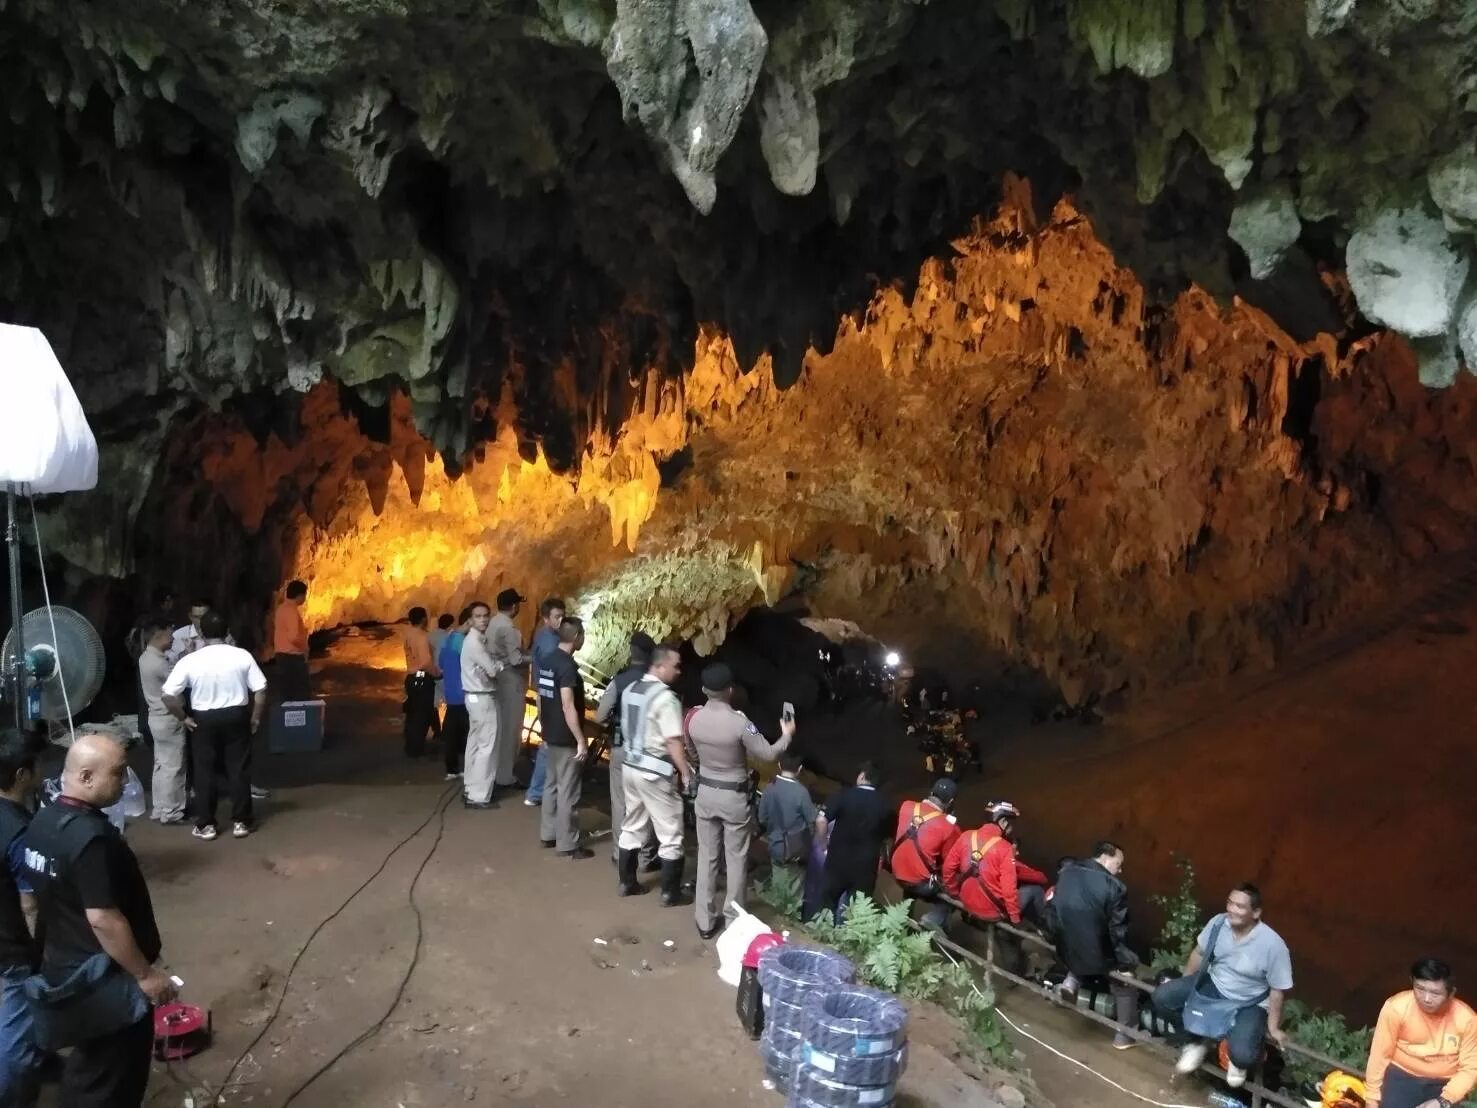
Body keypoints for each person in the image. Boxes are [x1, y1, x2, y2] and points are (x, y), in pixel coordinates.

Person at [24, 734, 176, 1107]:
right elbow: (104, 918)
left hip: (64, 965)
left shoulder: (45, 821)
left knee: (92, 1064)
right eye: (119, 773)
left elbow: (34, 899)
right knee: (111, 1076)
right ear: (87, 777)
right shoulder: (91, 839)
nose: (125, 782)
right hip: (102, 978)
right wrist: (145, 975)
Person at [687, 662, 795, 940]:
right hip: (734, 797)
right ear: (730, 691)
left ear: (703, 690)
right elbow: (769, 755)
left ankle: (705, 920)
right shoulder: (740, 723)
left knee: (707, 857)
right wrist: (786, 735)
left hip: (706, 794)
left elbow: (692, 754)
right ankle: (733, 918)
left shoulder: (692, 718)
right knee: (735, 859)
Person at [1150, 883, 1294, 1087]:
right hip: (1215, 985)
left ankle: (1236, 1059)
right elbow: (1199, 953)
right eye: (1230, 903)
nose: (1231, 910)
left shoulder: (1273, 945)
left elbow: (1277, 989)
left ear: (1256, 913)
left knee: (1244, 1055)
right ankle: (1195, 1042)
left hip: (1248, 1002)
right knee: (1162, 998)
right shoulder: (1218, 923)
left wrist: (1273, 1027)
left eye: (1240, 906)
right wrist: (1186, 984)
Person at [161, 610, 267, 841]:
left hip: (204, 720)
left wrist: (183, 717)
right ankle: (242, 821)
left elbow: (168, 696)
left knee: (204, 771)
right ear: (227, 631)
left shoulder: (190, 660)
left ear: (201, 632)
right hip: (236, 716)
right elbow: (260, 689)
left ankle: (206, 825)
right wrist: (255, 717)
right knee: (238, 768)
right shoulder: (242, 656)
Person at [616, 644, 691, 904]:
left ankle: (627, 883)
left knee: (632, 824)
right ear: (659, 666)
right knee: (670, 831)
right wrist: (685, 772)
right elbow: (672, 740)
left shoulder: (630, 690)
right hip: (655, 771)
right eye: (675, 665)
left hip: (630, 766)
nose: (678, 671)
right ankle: (671, 893)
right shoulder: (665, 698)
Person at [1050, 840, 1141, 1049]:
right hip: (1094, 953)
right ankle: (1125, 1036)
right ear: (1105, 857)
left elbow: (1052, 911)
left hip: (1064, 948)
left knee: (1082, 942)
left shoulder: (1067, 872)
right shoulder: (1115, 887)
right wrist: (1125, 966)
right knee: (1126, 981)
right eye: (1118, 864)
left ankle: (1071, 982)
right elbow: (1118, 932)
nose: (1120, 870)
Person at [1364, 958, 1477, 1108]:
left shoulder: (1467, 1019)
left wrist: (1443, 1101)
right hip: (1401, 1077)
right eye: (1420, 989)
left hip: (1446, 1083)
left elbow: (1470, 1068)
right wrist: (1371, 1099)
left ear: (1451, 993)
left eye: (1435, 993)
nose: (1426, 998)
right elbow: (1379, 1055)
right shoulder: (1396, 1007)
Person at [592, 631, 659, 869]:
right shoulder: (657, 684)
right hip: (648, 752)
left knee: (620, 802)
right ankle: (646, 856)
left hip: (622, 748)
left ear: (631, 653)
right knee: (647, 804)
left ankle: (621, 854)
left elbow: (601, 716)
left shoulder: (618, 681)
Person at [0, 731, 40, 1105]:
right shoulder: (18, 830)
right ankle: (13, 1097)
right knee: (16, 1021)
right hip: (9, 942)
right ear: (21, 776)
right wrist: (33, 950)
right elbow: (30, 902)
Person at [942, 801, 1050, 929]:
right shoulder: (1005, 848)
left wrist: (954, 893)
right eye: (1008, 823)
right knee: (1035, 890)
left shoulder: (966, 836)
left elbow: (948, 868)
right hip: (991, 911)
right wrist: (1015, 920)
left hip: (966, 902)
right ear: (1002, 821)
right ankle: (1046, 930)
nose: (1010, 828)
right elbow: (1008, 889)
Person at [536, 617, 592, 859]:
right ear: (577, 636)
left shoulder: (547, 660)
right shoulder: (567, 667)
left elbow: (541, 696)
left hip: (550, 732)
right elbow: (568, 706)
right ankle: (567, 842)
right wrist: (580, 738)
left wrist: (543, 724)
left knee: (551, 785)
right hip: (566, 735)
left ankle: (548, 834)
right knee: (568, 790)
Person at [817, 762, 894, 920]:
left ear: (861, 776)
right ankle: (844, 941)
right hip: (866, 867)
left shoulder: (844, 795)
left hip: (837, 860)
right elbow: (888, 839)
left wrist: (823, 844)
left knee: (827, 904)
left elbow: (821, 820)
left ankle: (822, 935)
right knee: (855, 913)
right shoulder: (886, 806)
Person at [889, 778, 961, 929]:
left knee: (914, 871)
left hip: (896, 871)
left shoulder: (906, 806)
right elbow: (949, 864)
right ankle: (932, 920)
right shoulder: (949, 827)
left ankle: (902, 922)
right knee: (951, 899)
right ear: (951, 802)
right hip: (919, 883)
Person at [136, 618, 187, 825]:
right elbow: (179, 682)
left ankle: (159, 807)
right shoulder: (158, 663)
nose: (172, 637)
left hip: (155, 717)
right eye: (169, 633)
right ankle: (171, 811)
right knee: (173, 766)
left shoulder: (145, 658)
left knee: (161, 764)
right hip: (168, 718)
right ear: (159, 636)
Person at [459, 602, 504, 810]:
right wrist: (500, 663)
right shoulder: (475, 643)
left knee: (475, 743)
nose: (483, 619)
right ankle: (480, 795)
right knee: (487, 745)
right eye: (478, 616)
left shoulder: (474, 640)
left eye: (486, 615)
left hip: (473, 697)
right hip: (482, 697)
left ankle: (470, 786)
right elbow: (493, 670)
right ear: (470, 619)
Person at [524, 597, 565, 807]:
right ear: (546, 618)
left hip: (544, 694)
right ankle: (537, 791)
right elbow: (552, 672)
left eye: (562, 616)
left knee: (549, 743)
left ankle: (539, 790)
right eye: (557, 617)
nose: (561, 621)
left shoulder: (543, 635)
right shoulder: (549, 642)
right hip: (549, 697)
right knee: (549, 744)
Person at [489, 589, 531, 792]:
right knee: (512, 729)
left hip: (496, 679)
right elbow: (516, 660)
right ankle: (506, 776)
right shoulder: (508, 628)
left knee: (500, 727)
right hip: (509, 679)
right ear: (514, 606)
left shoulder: (492, 623)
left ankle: (496, 771)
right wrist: (534, 657)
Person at [758, 752, 823, 870]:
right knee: (793, 881)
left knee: (778, 879)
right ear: (799, 769)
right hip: (795, 850)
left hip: (775, 845)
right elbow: (813, 820)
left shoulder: (769, 788)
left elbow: (762, 818)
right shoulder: (801, 792)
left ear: (779, 765)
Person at [402, 606, 441, 758]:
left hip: (411, 678)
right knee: (422, 715)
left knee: (412, 713)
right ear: (424, 619)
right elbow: (425, 662)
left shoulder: (407, 635)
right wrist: (436, 673)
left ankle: (410, 745)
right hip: (422, 678)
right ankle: (417, 749)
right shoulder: (421, 637)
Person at [438, 609, 471, 781]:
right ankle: (468, 769)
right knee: (468, 734)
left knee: (451, 734)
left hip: (451, 694)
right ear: (468, 622)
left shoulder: (448, 639)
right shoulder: (464, 641)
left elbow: (440, 663)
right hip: (464, 694)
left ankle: (452, 770)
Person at [272, 580, 312, 702]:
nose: (304, 598)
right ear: (299, 595)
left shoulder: (281, 609)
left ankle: (285, 719)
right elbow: (293, 636)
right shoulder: (292, 611)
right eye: (304, 595)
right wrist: (304, 647)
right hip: (293, 657)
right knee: (300, 693)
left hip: (281, 655)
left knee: (285, 692)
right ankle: (299, 720)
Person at [167, 597, 231, 663]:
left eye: (204, 617)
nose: (200, 621)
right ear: (190, 617)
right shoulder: (179, 635)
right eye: (196, 617)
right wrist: (186, 653)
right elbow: (171, 663)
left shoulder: (222, 634)